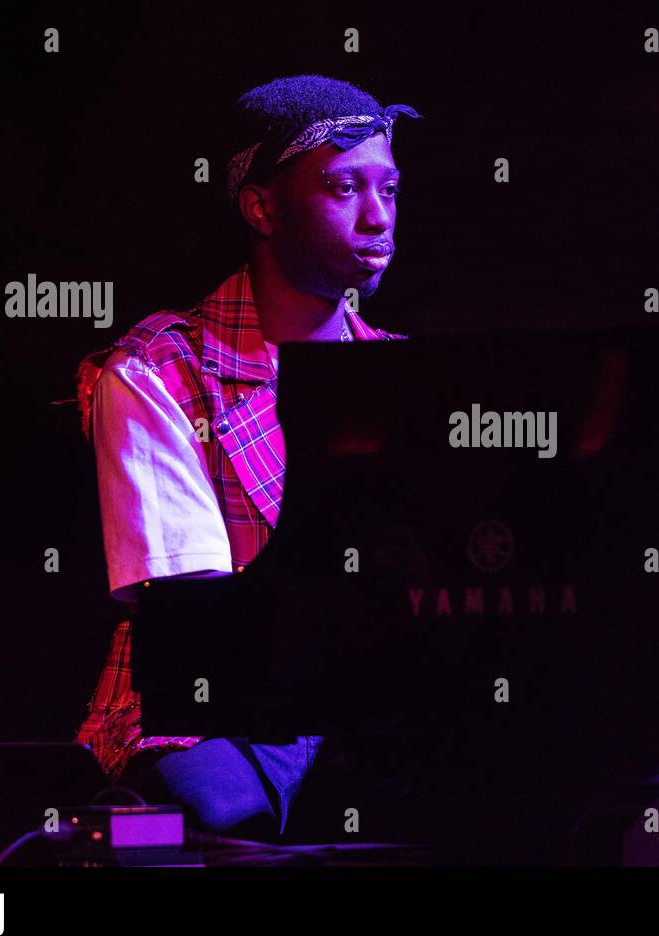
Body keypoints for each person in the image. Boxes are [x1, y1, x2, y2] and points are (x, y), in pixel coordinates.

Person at [71, 74, 420, 838]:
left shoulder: (405, 375)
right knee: (229, 810)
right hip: (204, 709)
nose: (377, 218)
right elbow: (191, 618)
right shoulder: (158, 369)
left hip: (370, 697)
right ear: (261, 207)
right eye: (342, 189)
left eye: (389, 190)